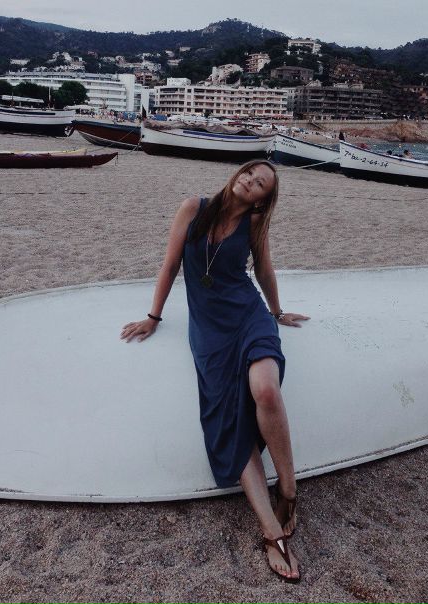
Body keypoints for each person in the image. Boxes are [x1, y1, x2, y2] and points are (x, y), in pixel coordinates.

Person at [121, 160, 309, 582]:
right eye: (249, 174)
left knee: (265, 389)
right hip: (209, 328)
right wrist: (153, 316)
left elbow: (263, 270)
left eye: (260, 184)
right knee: (228, 418)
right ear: (238, 174)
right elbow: (170, 265)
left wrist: (277, 311)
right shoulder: (194, 208)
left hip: (248, 315)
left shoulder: (255, 225)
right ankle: (271, 530)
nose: (250, 181)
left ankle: (289, 490)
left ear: (262, 199)